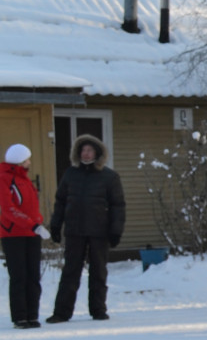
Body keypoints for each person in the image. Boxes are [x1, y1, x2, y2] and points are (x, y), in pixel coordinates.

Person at [46, 135, 124, 324]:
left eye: (89, 150)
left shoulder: (110, 177)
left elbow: (118, 206)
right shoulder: (70, 174)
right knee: (70, 272)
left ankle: (98, 309)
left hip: (99, 232)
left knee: (98, 271)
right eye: (83, 150)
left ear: (97, 153)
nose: (86, 153)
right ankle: (61, 312)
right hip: (74, 230)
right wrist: (55, 225)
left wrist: (116, 230)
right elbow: (60, 201)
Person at [2, 144, 48, 328]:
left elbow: (31, 206)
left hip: (32, 233)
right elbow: (8, 209)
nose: (29, 162)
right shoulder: (4, 179)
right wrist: (32, 224)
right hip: (13, 234)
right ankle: (20, 317)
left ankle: (32, 315)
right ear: (20, 161)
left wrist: (38, 222)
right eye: (27, 159)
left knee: (33, 276)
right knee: (19, 276)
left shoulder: (25, 180)